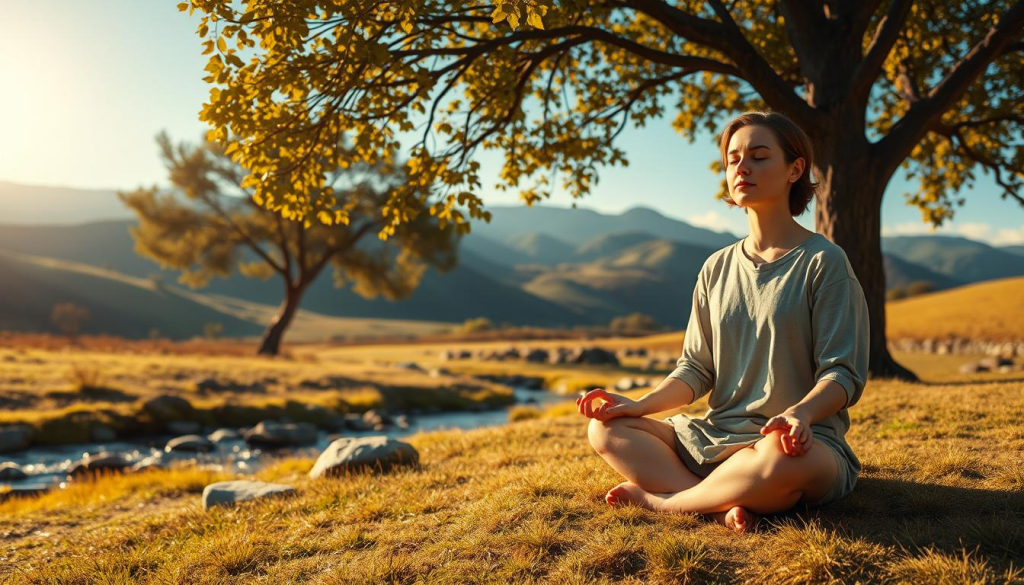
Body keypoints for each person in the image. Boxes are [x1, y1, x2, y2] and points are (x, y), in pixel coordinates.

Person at [577, 110, 870, 534]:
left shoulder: (824, 263)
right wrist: (637, 406)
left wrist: (800, 416)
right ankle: (719, 504)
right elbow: (696, 369)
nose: (742, 167)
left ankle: (665, 502)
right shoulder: (716, 267)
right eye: (733, 159)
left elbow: (843, 375)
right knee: (605, 432)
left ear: (795, 168)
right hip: (713, 439)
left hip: (795, 444)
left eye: (759, 156)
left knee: (776, 463)